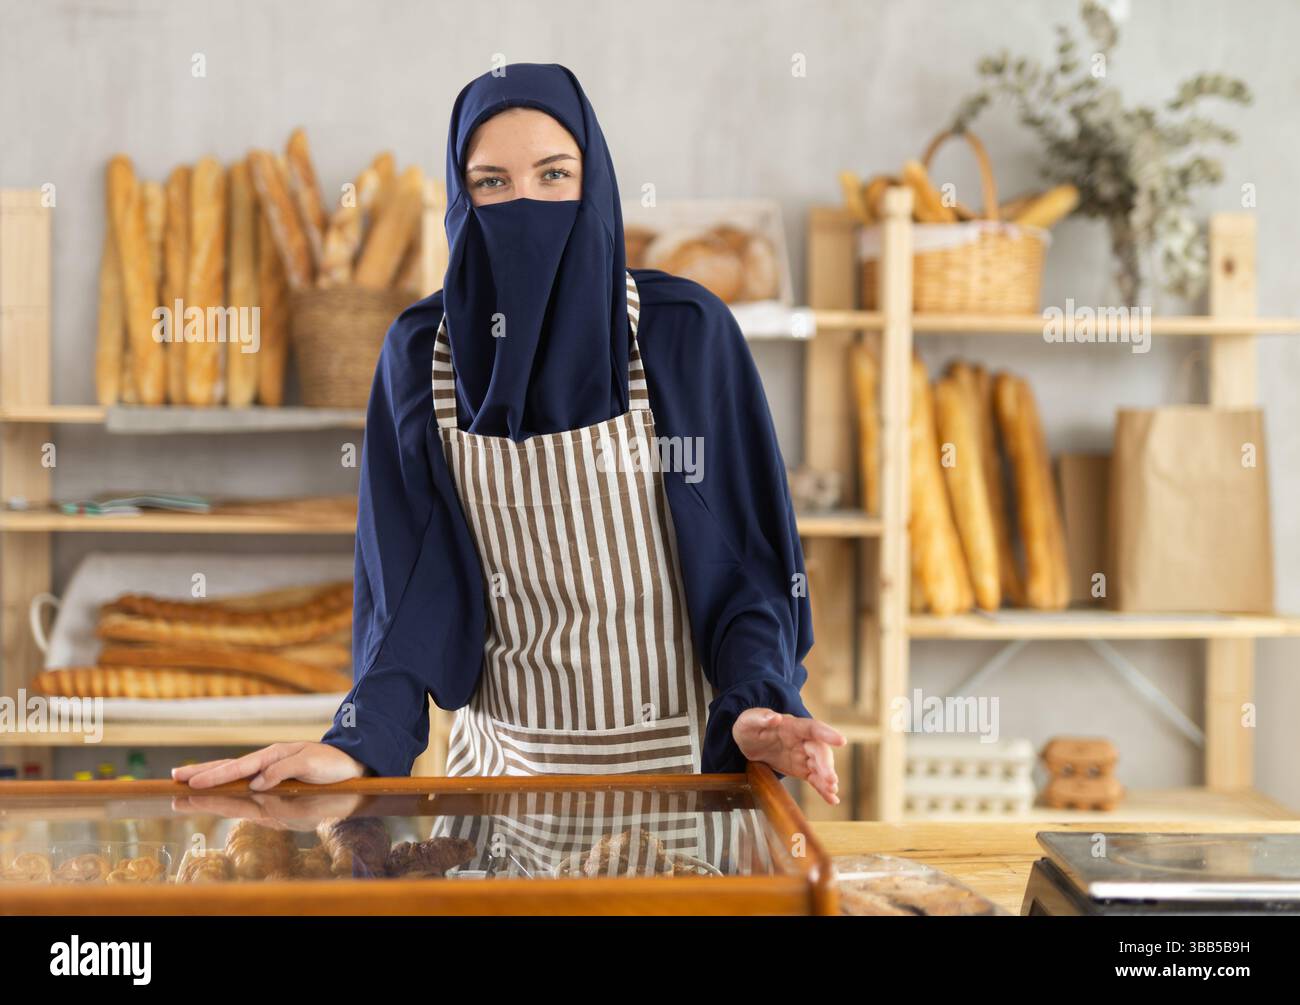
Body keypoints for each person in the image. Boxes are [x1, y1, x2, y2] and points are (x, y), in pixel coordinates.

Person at [174, 63, 844, 806]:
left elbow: (748, 571)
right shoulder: (418, 352)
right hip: (503, 796)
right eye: (492, 183)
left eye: (554, 175)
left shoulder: (683, 334)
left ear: (597, 185)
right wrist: (358, 743)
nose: (524, 205)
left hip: (686, 792)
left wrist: (756, 704)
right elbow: (409, 595)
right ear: (461, 200)